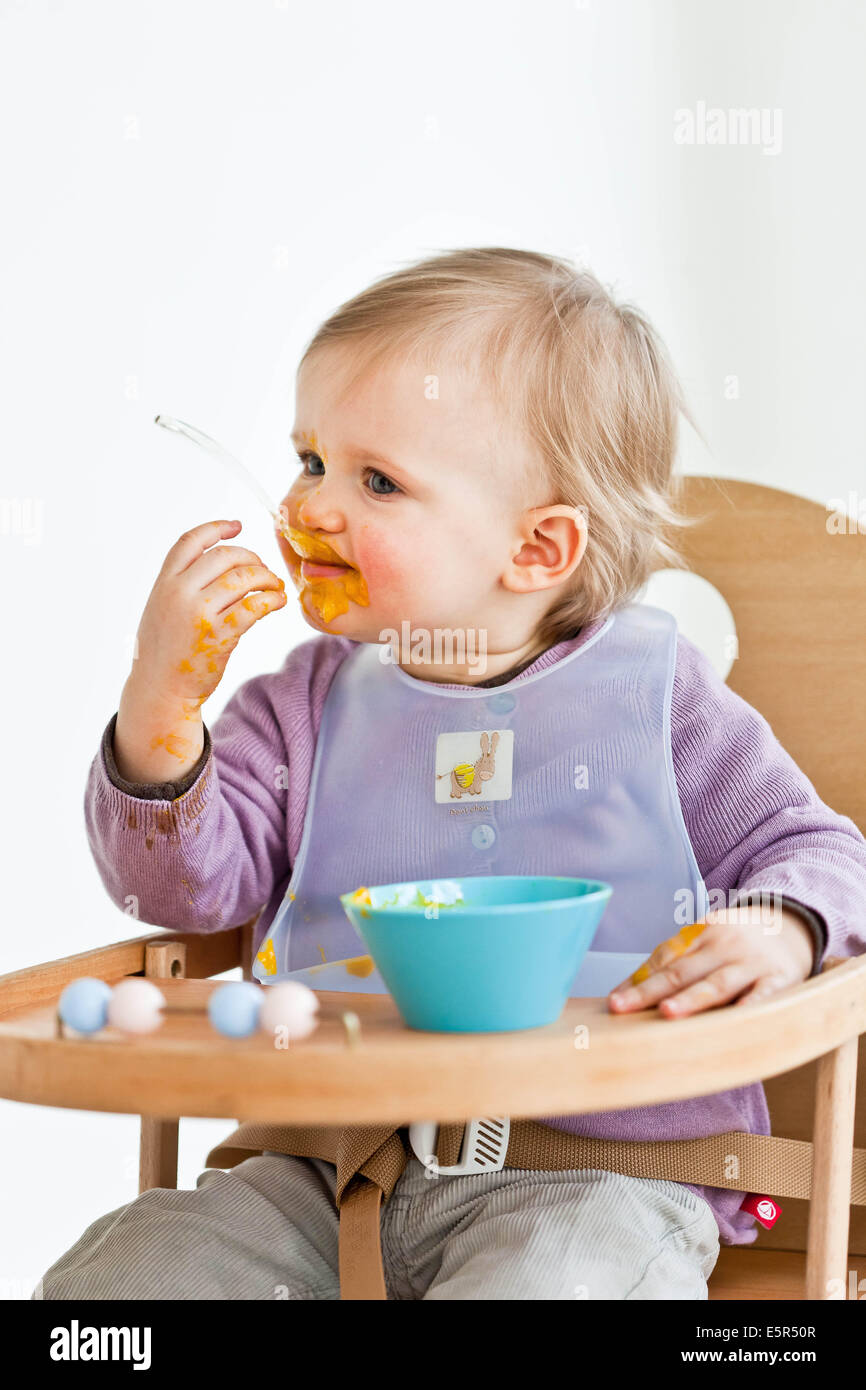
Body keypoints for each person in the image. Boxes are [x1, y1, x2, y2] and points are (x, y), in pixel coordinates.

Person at [37, 248, 866, 1300]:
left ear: (535, 548)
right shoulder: (302, 708)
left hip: (595, 1182)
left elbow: (821, 849)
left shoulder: (656, 701)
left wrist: (782, 924)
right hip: (326, 1173)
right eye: (308, 460)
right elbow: (181, 894)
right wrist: (159, 707)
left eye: (375, 480)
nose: (308, 508)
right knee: (125, 1283)